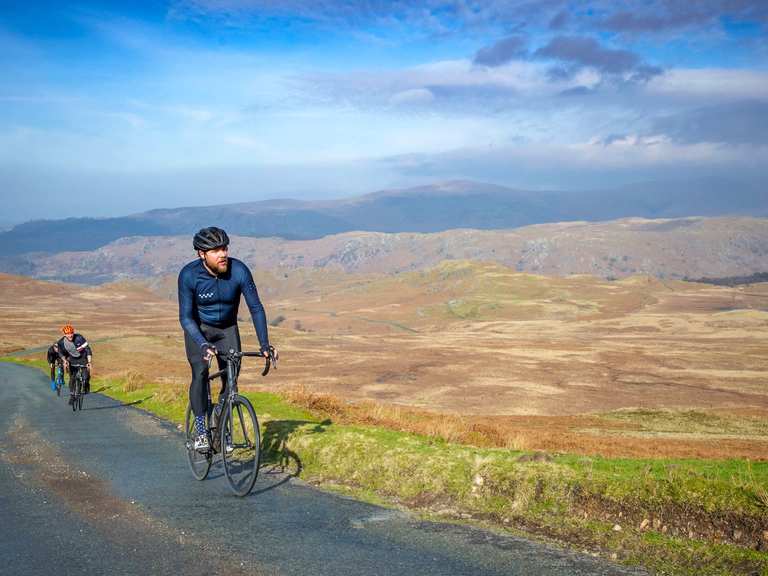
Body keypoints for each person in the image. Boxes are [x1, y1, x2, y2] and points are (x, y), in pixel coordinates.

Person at [178, 226, 276, 453]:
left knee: (231, 381)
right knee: (200, 373)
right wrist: (203, 343)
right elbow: (185, 316)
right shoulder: (189, 275)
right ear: (201, 254)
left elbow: (256, 307)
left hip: (227, 329)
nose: (222, 254)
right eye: (215, 250)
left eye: (224, 248)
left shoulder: (239, 271)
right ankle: (201, 429)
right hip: (199, 330)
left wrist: (264, 344)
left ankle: (221, 426)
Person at [57, 324, 92, 405]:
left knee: (85, 376)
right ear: (65, 334)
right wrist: (65, 361)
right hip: (72, 359)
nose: (70, 335)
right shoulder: (61, 342)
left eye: (71, 333)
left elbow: (88, 349)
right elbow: (60, 352)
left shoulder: (79, 338)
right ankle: (72, 396)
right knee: (72, 378)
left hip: (83, 358)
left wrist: (89, 362)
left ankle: (86, 384)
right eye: (68, 333)